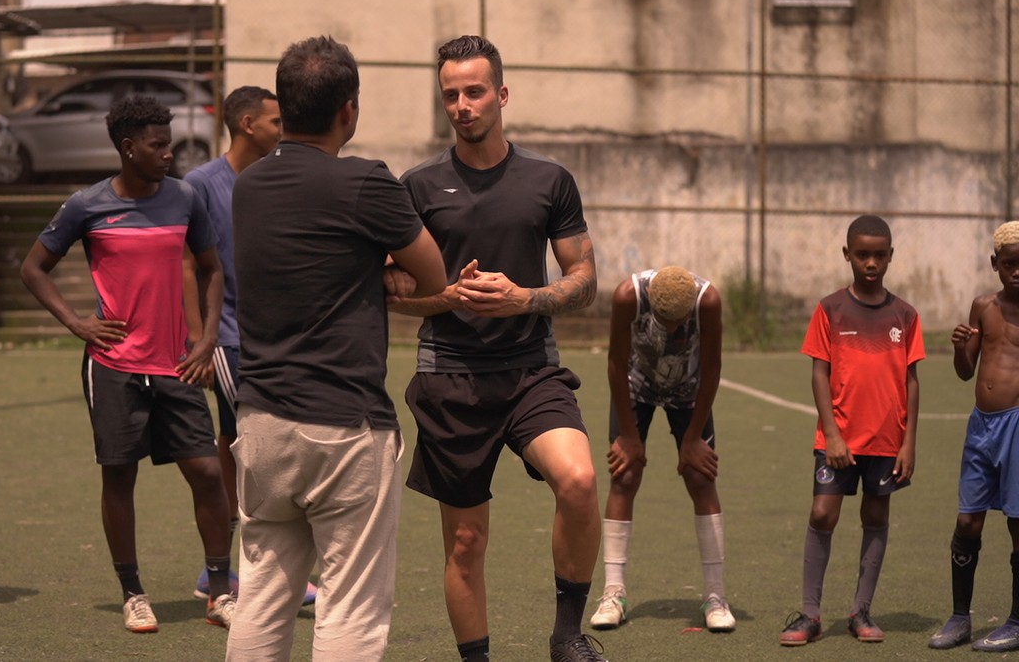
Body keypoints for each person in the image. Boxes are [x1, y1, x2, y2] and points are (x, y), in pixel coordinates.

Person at [224, 36, 445, 661]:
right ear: (349, 110)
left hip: (261, 422)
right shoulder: (366, 182)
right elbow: (433, 276)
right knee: (351, 606)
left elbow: (303, 257)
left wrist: (364, 265)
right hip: (344, 426)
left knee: (263, 593)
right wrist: (378, 267)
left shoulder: (249, 186)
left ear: (283, 108)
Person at [390, 35, 607, 662]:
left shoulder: (549, 180)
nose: (462, 104)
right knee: (465, 542)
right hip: (450, 376)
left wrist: (524, 300)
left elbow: (584, 281)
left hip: (530, 370)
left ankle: (567, 635)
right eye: (450, 94)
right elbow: (394, 294)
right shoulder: (419, 187)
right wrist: (446, 297)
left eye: (474, 91)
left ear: (502, 94)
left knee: (580, 480)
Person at [20, 95, 234, 634]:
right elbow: (34, 268)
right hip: (112, 364)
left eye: (169, 143)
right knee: (120, 476)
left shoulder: (185, 199)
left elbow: (211, 270)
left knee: (208, 473)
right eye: (158, 145)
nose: (168, 153)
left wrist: (206, 339)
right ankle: (133, 592)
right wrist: (77, 323)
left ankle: (220, 589)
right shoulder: (85, 205)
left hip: (175, 364)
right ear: (127, 147)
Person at [182, 86, 316, 606]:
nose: (284, 130)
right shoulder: (200, 185)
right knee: (257, 449)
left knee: (246, 448)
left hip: (274, 337)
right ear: (245, 123)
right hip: (229, 335)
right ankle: (252, 572)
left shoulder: (273, 178)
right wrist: (201, 336)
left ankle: (221, 570)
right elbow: (190, 267)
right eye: (276, 121)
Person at [779, 214, 924, 646]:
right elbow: (819, 375)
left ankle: (861, 611)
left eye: (879, 255)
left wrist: (909, 442)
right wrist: (834, 434)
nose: (871, 263)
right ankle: (809, 614)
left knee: (875, 515)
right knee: (822, 513)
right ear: (848, 255)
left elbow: (912, 381)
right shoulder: (829, 309)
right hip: (838, 441)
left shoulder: (906, 315)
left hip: (886, 440)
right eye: (862, 254)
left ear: (891, 257)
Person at [592, 266, 735, 633]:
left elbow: (713, 366)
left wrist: (691, 441)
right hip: (636, 386)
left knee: (700, 476)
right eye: (663, 321)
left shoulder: (708, 301)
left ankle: (716, 597)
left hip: (688, 391)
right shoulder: (629, 296)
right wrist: (628, 435)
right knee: (624, 475)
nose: (671, 328)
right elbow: (615, 362)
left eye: (679, 321)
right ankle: (613, 593)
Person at [929, 221, 1019, 651]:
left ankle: (1017, 621)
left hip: (1018, 426)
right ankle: (959, 617)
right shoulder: (982, 306)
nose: (1017, 272)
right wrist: (960, 346)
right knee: (968, 519)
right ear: (994, 265)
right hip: (982, 426)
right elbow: (966, 372)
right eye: (1009, 264)